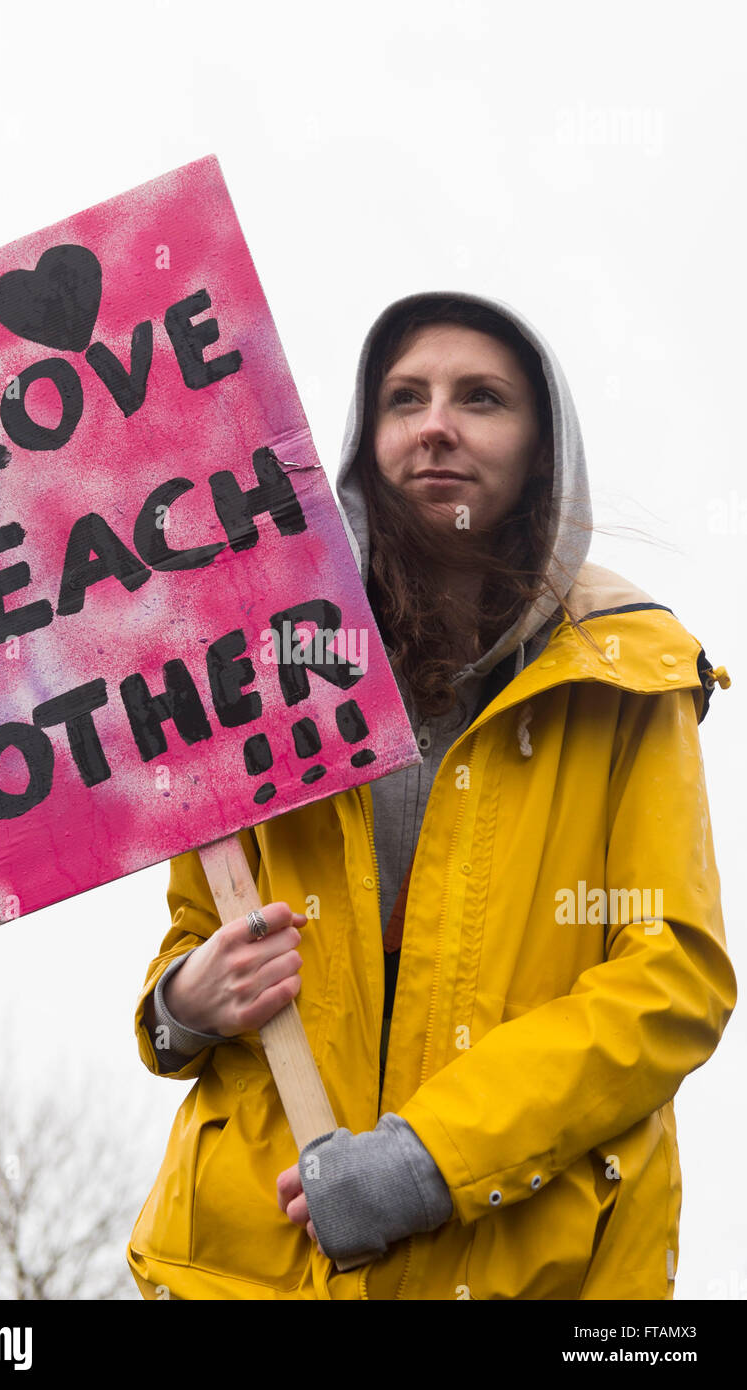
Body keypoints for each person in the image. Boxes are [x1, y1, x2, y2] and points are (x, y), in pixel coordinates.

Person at [126, 290, 736, 1301]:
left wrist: (431, 1160)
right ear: (367, 440)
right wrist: (179, 1005)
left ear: (544, 449)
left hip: (526, 1269)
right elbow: (197, 922)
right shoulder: (265, 664)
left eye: (480, 397)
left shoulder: (629, 676)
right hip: (251, 1266)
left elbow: (670, 982)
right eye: (404, 397)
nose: (435, 423)